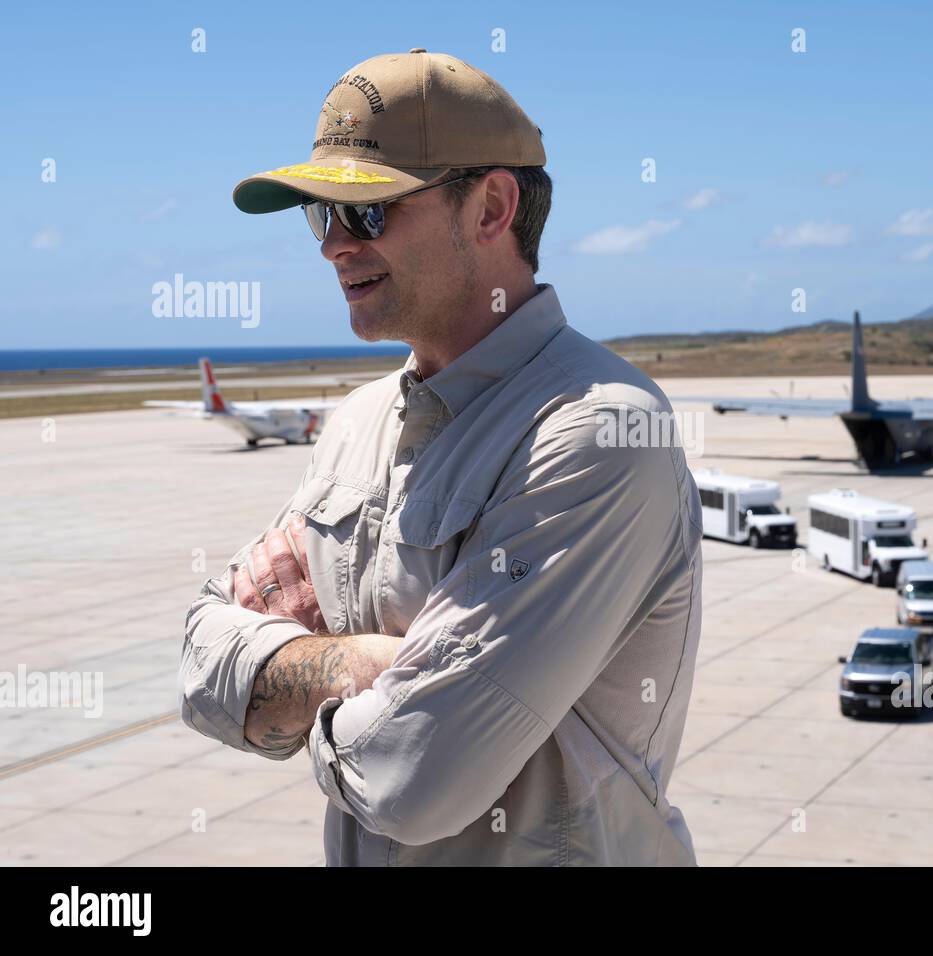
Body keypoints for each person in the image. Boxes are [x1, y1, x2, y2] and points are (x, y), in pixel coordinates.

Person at [177, 50, 704, 866]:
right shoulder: (357, 423)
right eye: (322, 215)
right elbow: (201, 656)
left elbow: (413, 780)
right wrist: (367, 666)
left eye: (370, 213)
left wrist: (285, 685)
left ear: (492, 206)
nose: (334, 247)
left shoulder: (599, 433)